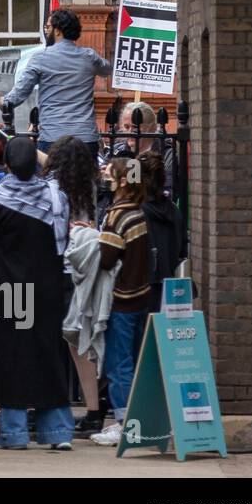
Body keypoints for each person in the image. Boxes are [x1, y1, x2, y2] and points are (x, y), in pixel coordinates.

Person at [0, 135, 74, 450]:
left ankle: (13, 434)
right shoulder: (56, 198)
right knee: (46, 357)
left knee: (10, 358)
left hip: (7, 290)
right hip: (47, 290)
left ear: (8, 165)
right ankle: (57, 432)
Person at [44, 136, 106, 434]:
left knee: (50, 341)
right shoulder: (89, 186)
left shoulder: (52, 188)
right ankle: (94, 410)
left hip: (59, 265)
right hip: (84, 267)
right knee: (80, 343)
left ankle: (51, 406)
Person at [90, 155, 151, 446]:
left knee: (119, 364)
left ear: (123, 180)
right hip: (140, 297)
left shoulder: (118, 215)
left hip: (122, 300)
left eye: (110, 170)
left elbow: (106, 259)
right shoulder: (138, 212)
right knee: (135, 362)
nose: (105, 173)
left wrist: (92, 236)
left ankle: (125, 424)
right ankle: (138, 421)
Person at [2, 9, 111, 157]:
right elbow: (107, 70)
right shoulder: (89, 56)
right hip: (85, 137)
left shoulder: (40, 57)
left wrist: (4, 101)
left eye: (48, 27)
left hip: (53, 138)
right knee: (85, 180)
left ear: (58, 31)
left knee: (52, 180)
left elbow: (18, 95)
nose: (46, 31)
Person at [139, 148, 186, 313]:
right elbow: (182, 249)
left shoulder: (136, 212)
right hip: (172, 285)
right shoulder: (174, 210)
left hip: (143, 286)